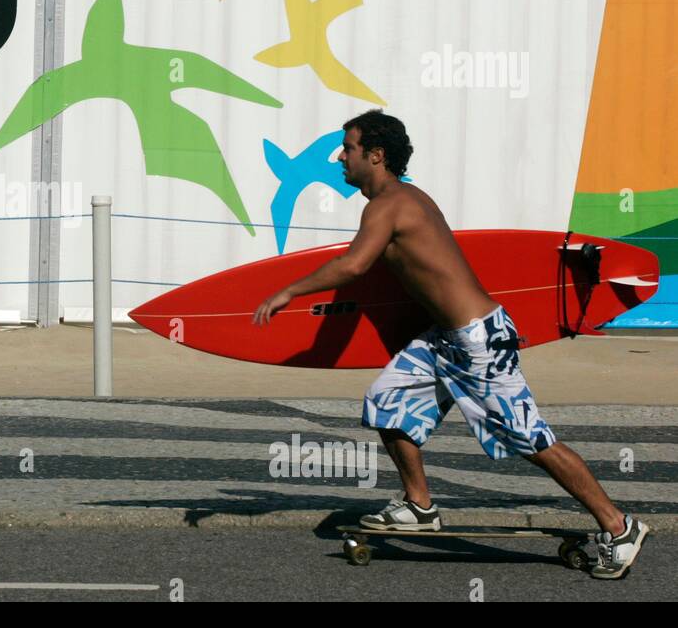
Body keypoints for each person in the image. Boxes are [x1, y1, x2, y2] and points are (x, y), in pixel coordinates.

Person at [251, 110, 648, 579]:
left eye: (349, 147)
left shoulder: (391, 204)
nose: (341, 156)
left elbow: (354, 266)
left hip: (477, 342)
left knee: (532, 440)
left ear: (375, 156)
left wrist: (289, 291)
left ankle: (619, 527)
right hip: (446, 340)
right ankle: (419, 504)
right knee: (386, 402)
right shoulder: (395, 201)